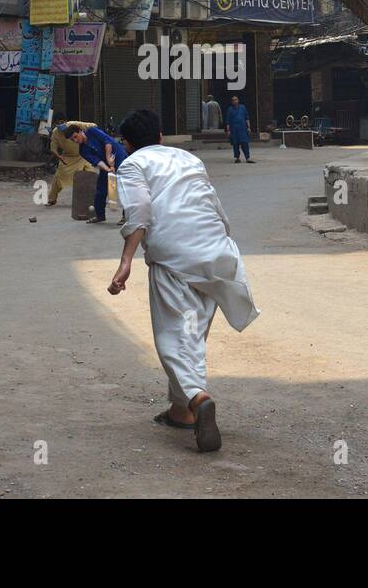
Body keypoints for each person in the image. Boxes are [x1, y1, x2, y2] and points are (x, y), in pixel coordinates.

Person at [108, 109, 260, 453]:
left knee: (172, 337)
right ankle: (180, 412)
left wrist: (126, 261)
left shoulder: (132, 165)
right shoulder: (188, 159)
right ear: (161, 136)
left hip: (174, 255)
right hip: (216, 254)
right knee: (191, 337)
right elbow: (213, 203)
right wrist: (222, 243)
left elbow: (139, 212)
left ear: (127, 144)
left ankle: (197, 398)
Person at [65, 122, 126, 224]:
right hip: (106, 166)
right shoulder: (83, 151)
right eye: (72, 140)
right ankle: (100, 216)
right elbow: (97, 162)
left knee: (124, 188)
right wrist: (108, 169)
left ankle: (126, 216)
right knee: (101, 190)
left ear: (80, 131)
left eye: (75, 137)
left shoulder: (92, 131)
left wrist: (108, 158)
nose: (75, 141)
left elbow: (107, 142)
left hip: (119, 156)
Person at [46, 119, 97, 206]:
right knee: (58, 178)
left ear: (65, 121)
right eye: (58, 123)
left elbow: (93, 125)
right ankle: (52, 199)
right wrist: (59, 156)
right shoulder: (55, 133)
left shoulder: (74, 125)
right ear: (55, 124)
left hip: (83, 155)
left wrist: (91, 138)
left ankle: (97, 199)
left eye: (62, 122)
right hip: (68, 158)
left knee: (92, 175)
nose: (60, 124)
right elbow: (53, 146)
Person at [224, 94, 253, 163]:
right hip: (234, 130)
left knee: (245, 143)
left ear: (238, 100)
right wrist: (228, 130)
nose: (235, 101)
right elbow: (227, 121)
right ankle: (237, 158)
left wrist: (249, 127)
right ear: (232, 102)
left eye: (236, 99)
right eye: (233, 100)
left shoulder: (242, 107)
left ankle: (248, 158)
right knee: (235, 144)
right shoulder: (230, 109)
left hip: (243, 129)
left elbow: (247, 118)